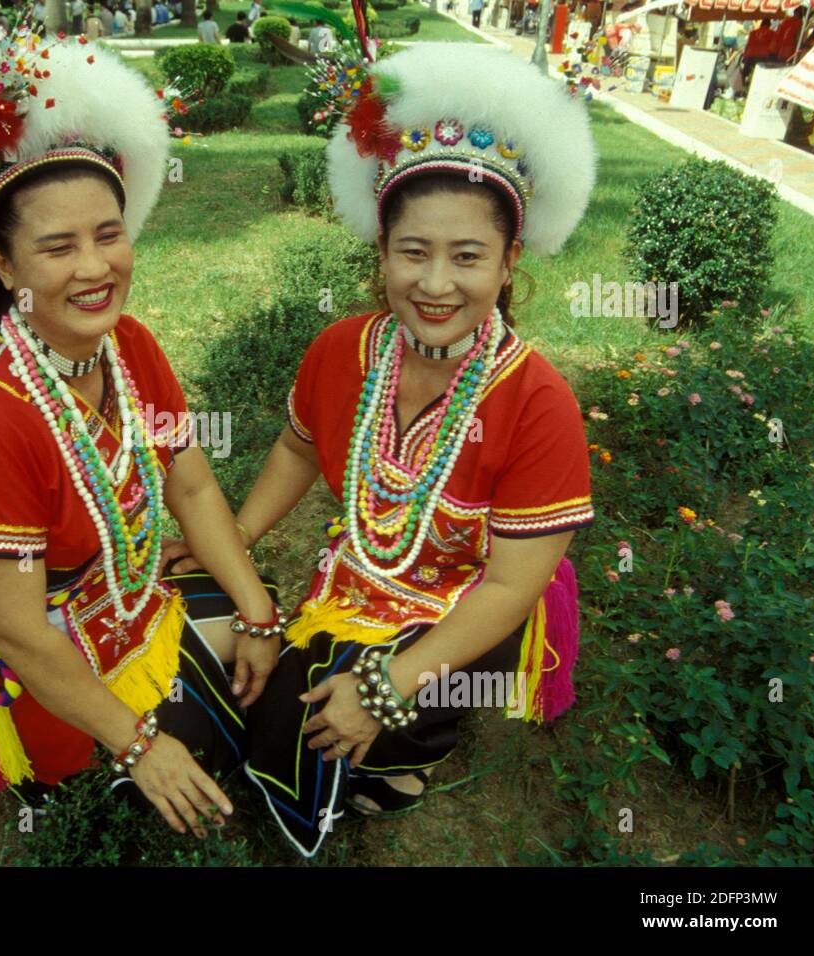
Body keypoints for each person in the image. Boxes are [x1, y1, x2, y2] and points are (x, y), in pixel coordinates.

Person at [165, 43, 598, 858]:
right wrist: (238, 540)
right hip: (351, 587)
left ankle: (411, 749)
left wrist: (388, 685)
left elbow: (509, 586)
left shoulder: (539, 401)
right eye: (414, 251)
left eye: (468, 256)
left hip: (469, 609)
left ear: (510, 261)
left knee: (338, 719)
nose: (436, 283)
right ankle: (355, 722)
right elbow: (298, 451)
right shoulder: (343, 351)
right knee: (237, 684)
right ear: (381, 249)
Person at [0, 0, 282, 836]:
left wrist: (256, 611)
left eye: (110, 234)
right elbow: (17, 630)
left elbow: (193, 485)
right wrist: (141, 746)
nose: (96, 267)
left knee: (276, 667)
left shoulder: (127, 345)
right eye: (58, 248)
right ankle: (85, 775)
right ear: (2, 264)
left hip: (129, 600)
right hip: (41, 667)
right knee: (213, 751)